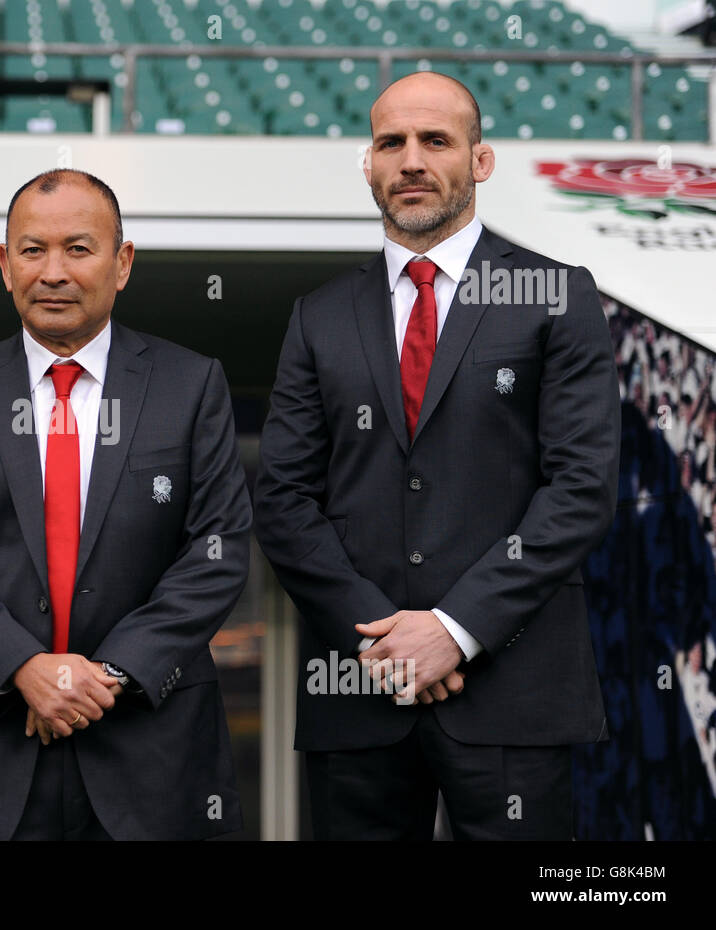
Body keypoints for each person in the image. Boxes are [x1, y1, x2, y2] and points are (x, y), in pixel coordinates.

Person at [254, 72, 620, 840]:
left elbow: (582, 488)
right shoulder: (317, 318)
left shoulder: (557, 295)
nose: (411, 159)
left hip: (514, 694)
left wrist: (453, 629)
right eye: (392, 142)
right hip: (358, 695)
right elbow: (284, 502)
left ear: (480, 162)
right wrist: (382, 639)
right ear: (369, 163)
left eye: (435, 141)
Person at [0, 169, 250, 840]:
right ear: (5, 264)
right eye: (32, 250)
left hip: (148, 747)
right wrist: (22, 667)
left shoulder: (191, 386)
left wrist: (107, 676)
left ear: (123, 263)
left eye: (79, 249)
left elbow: (217, 552)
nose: (53, 271)